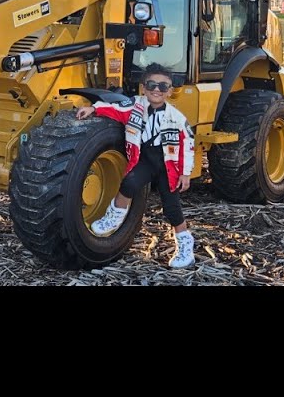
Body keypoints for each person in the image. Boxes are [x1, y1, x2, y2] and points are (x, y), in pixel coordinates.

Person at [79, 63, 196, 268]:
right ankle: (114, 217)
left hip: (167, 165)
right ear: (143, 87)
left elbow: (188, 144)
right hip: (145, 160)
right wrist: (94, 109)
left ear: (170, 91)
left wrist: (185, 173)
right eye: (151, 84)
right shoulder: (134, 106)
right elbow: (115, 109)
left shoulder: (177, 118)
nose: (157, 89)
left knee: (171, 208)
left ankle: (185, 246)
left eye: (163, 86)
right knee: (129, 183)